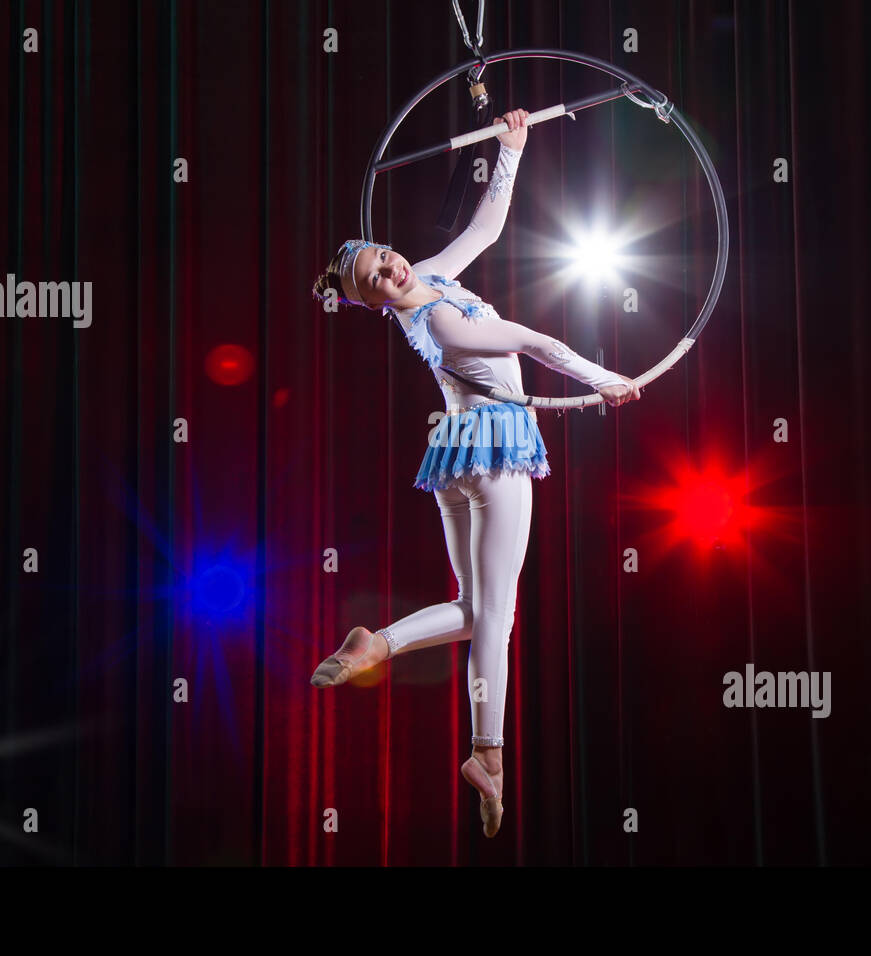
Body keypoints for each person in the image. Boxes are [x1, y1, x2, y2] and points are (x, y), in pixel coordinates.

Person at [308, 109, 641, 838]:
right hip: (491, 453)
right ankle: (486, 749)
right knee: (499, 614)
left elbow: (483, 232)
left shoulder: (426, 278)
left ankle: (383, 647)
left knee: (478, 609)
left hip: (462, 454)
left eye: (387, 257)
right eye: (378, 278)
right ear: (372, 303)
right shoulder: (441, 324)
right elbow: (537, 339)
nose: (394, 268)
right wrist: (606, 379)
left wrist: (511, 150)